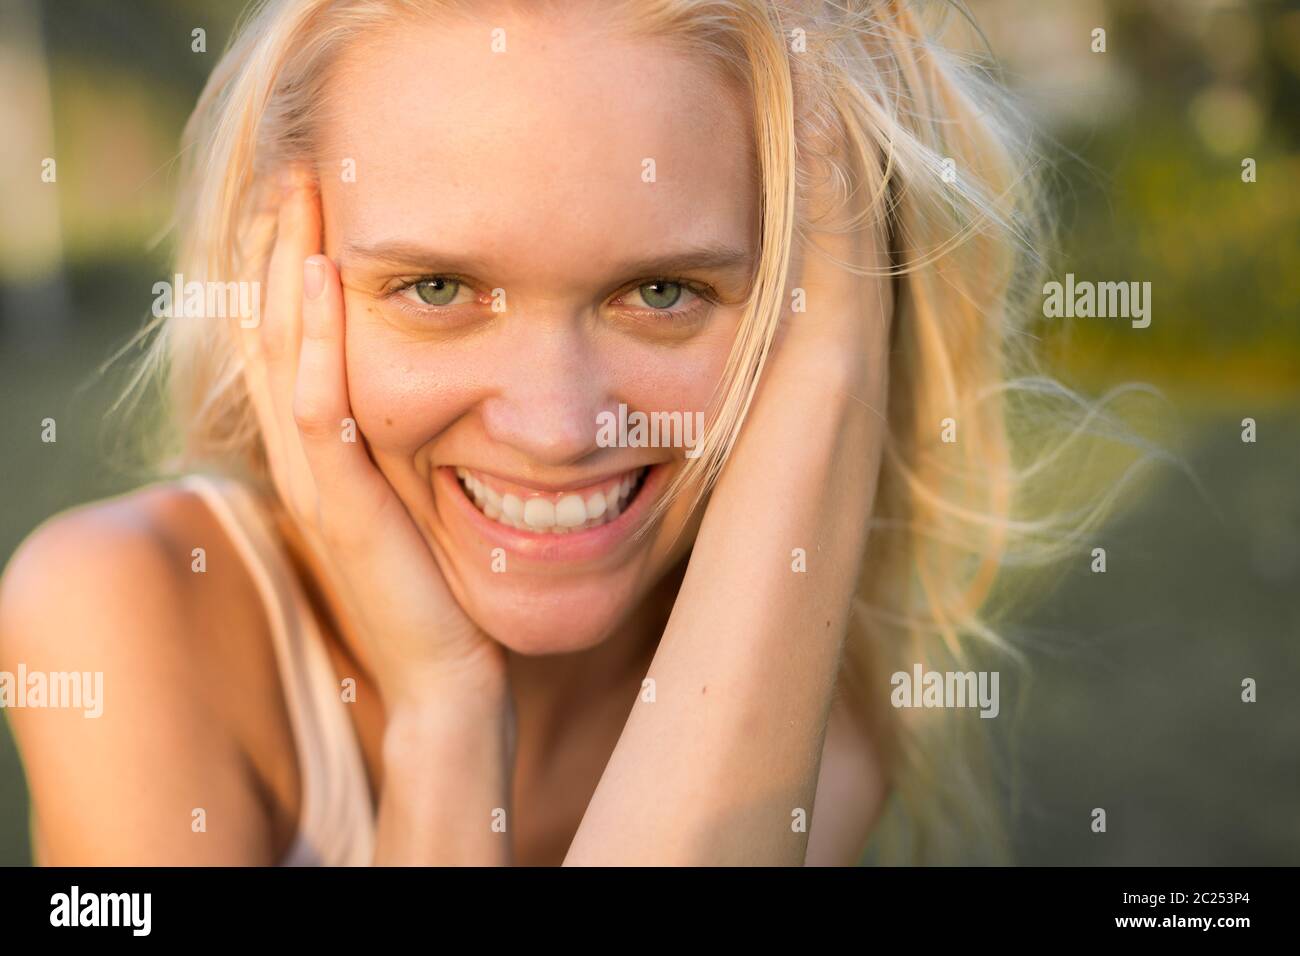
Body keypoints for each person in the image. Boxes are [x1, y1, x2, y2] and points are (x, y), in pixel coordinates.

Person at [0, 0, 1044, 865]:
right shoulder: (120, 614)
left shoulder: (819, 717)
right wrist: (444, 729)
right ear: (280, 281)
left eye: (665, 290)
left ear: (804, 299)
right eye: (437, 286)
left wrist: (829, 377)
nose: (554, 427)